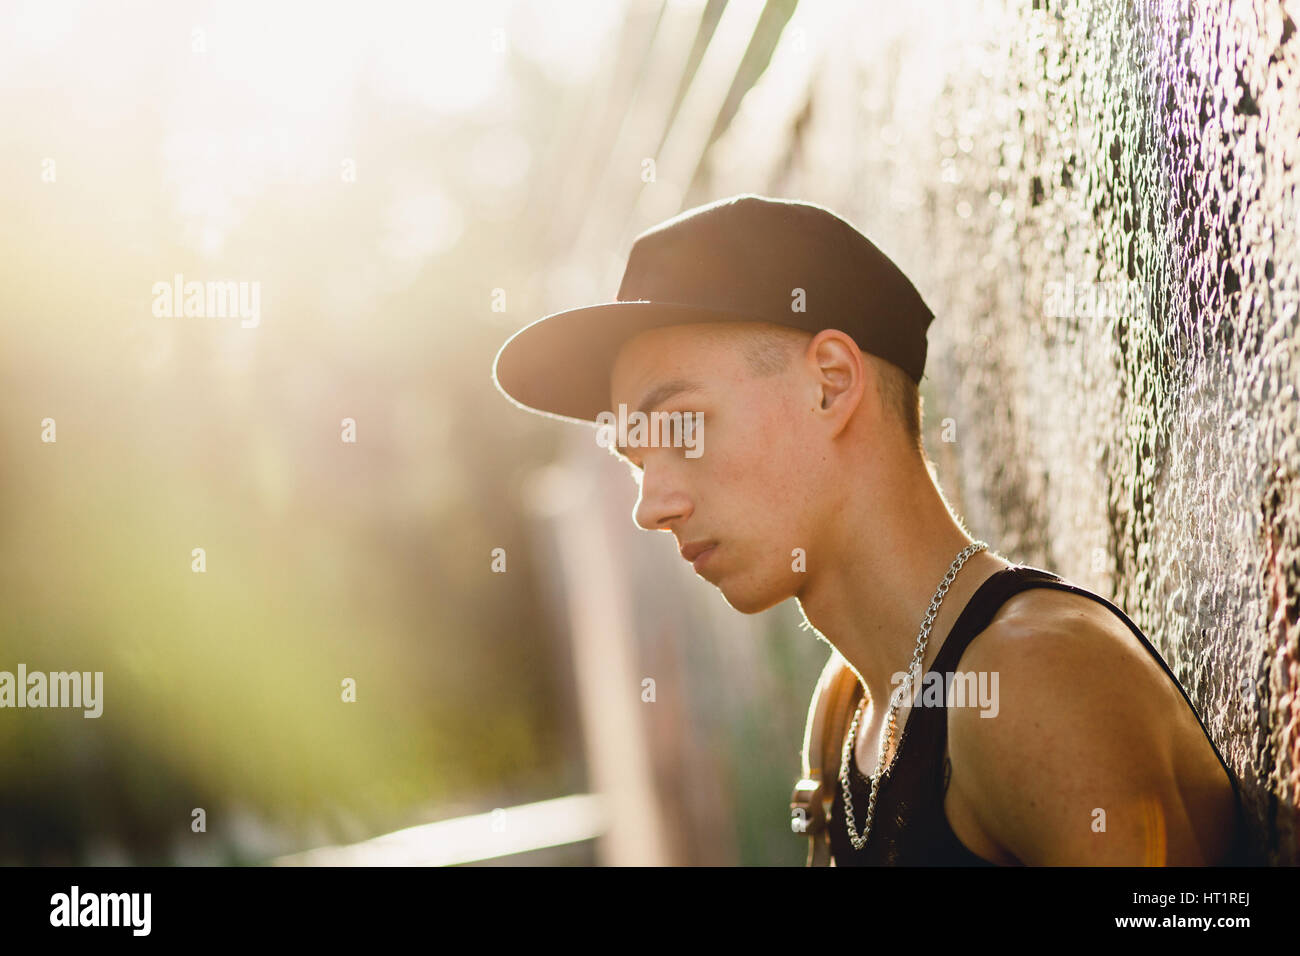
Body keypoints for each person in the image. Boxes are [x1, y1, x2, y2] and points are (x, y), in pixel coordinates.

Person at [492, 193, 1246, 865]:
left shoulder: (1029, 683)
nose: (649, 505)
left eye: (681, 428)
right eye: (635, 459)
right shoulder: (847, 709)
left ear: (832, 384)